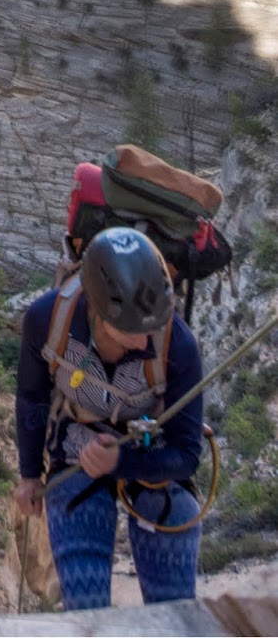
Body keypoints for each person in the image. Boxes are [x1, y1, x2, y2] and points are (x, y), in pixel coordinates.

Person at [14, 227, 204, 610]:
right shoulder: (48, 320)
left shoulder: (178, 344)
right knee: (86, 612)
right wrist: (30, 474)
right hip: (76, 451)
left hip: (153, 455)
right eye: (132, 331)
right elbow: (32, 398)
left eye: (153, 326)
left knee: (174, 610)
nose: (145, 340)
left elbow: (186, 453)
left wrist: (121, 461)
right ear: (96, 309)